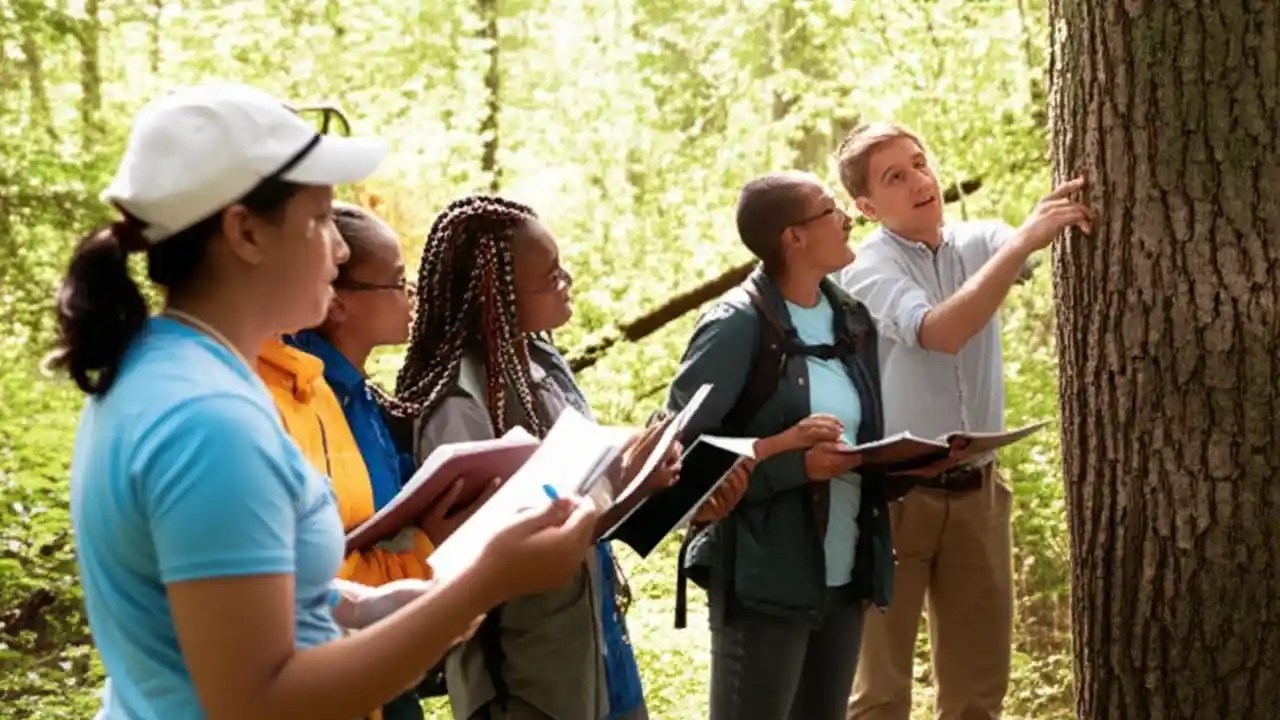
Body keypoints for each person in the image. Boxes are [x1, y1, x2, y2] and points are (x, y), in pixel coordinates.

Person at [52, 81, 599, 720]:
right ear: (246, 234)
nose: (339, 248)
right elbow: (261, 699)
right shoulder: (207, 422)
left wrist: (360, 607)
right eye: (318, 220)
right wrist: (484, 582)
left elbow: (230, 604)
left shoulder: (170, 370)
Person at [389, 195, 682, 720]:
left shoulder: (541, 359)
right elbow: (491, 552)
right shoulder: (459, 403)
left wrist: (640, 478)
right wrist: (630, 484)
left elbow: (583, 490)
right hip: (526, 668)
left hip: (595, 634)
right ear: (494, 297)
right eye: (549, 277)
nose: (566, 280)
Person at [836, 123, 1091, 720]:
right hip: (893, 503)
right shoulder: (865, 269)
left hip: (978, 495)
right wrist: (1020, 244)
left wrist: (1035, 231)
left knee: (978, 696)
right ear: (867, 207)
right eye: (895, 177)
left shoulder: (980, 243)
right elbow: (941, 332)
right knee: (879, 696)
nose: (920, 181)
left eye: (920, 164)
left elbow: (1031, 242)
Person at [664, 170, 894, 720]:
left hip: (844, 577)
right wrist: (795, 467)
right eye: (830, 210)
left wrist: (914, 461)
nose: (846, 218)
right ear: (794, 237)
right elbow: (676, 465)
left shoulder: (852, 319)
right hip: (764, 585)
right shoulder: (735, 325)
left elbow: (862, 439)